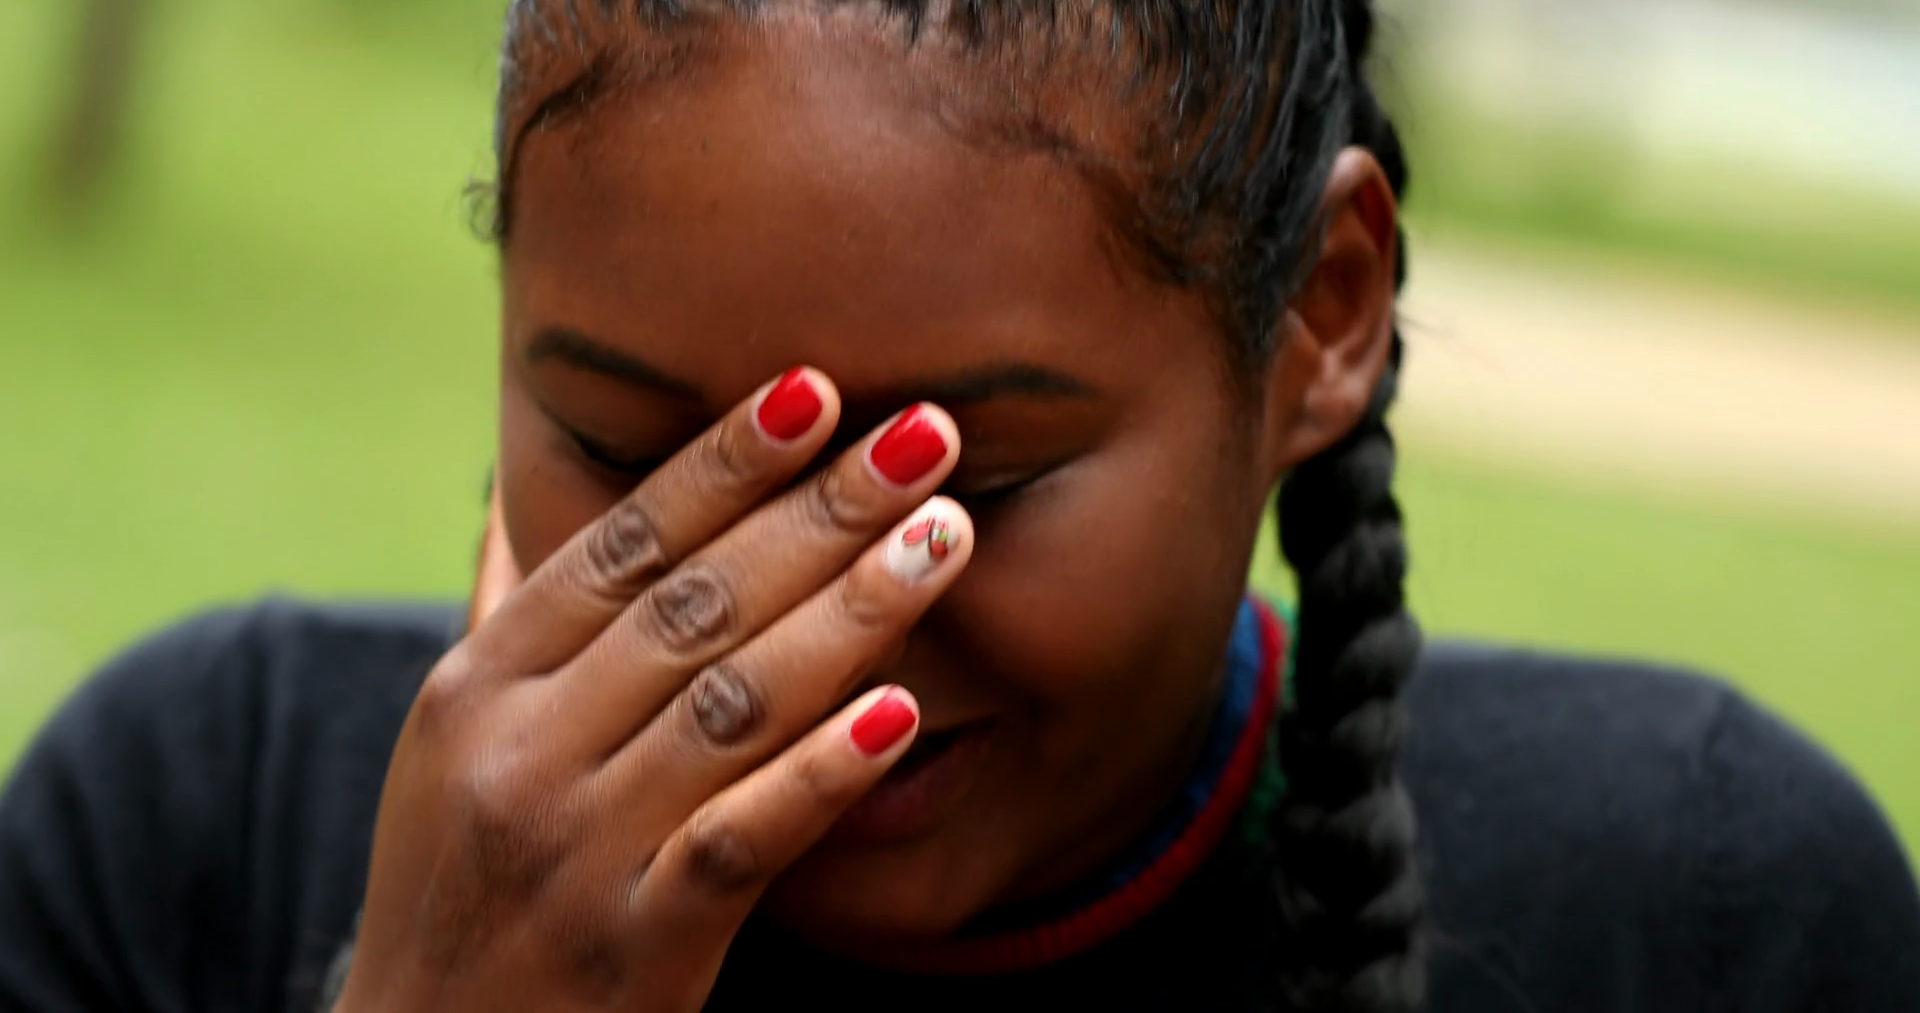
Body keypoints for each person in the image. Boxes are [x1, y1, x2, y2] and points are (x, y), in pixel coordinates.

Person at [3, 1, 1917, 1011]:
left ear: (1320, 320)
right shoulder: (192, 825)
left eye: (965, 482)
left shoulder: (1701, 902)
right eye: (622, 446)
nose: (805, 621)